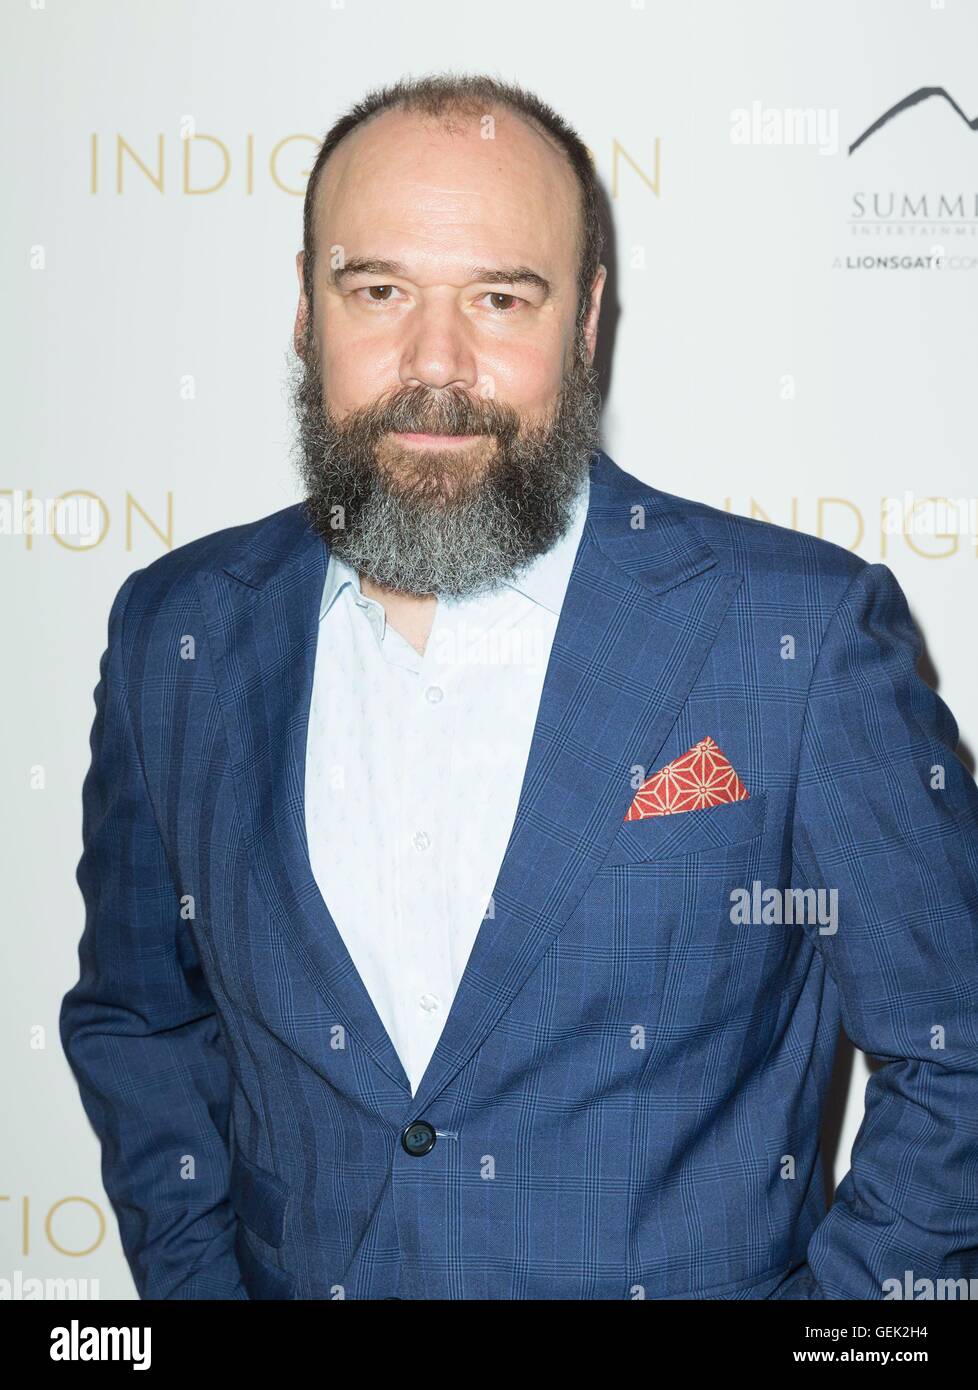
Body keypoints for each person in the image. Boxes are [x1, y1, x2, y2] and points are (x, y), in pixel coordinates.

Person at [60, 72, 978, 1301]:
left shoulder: (798, 636)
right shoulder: (173, 635)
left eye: (501, 296)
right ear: (303, 309)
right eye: (378, 289)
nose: (435, 364)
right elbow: (139, 1020)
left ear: (589, 319)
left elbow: (957, 1048)